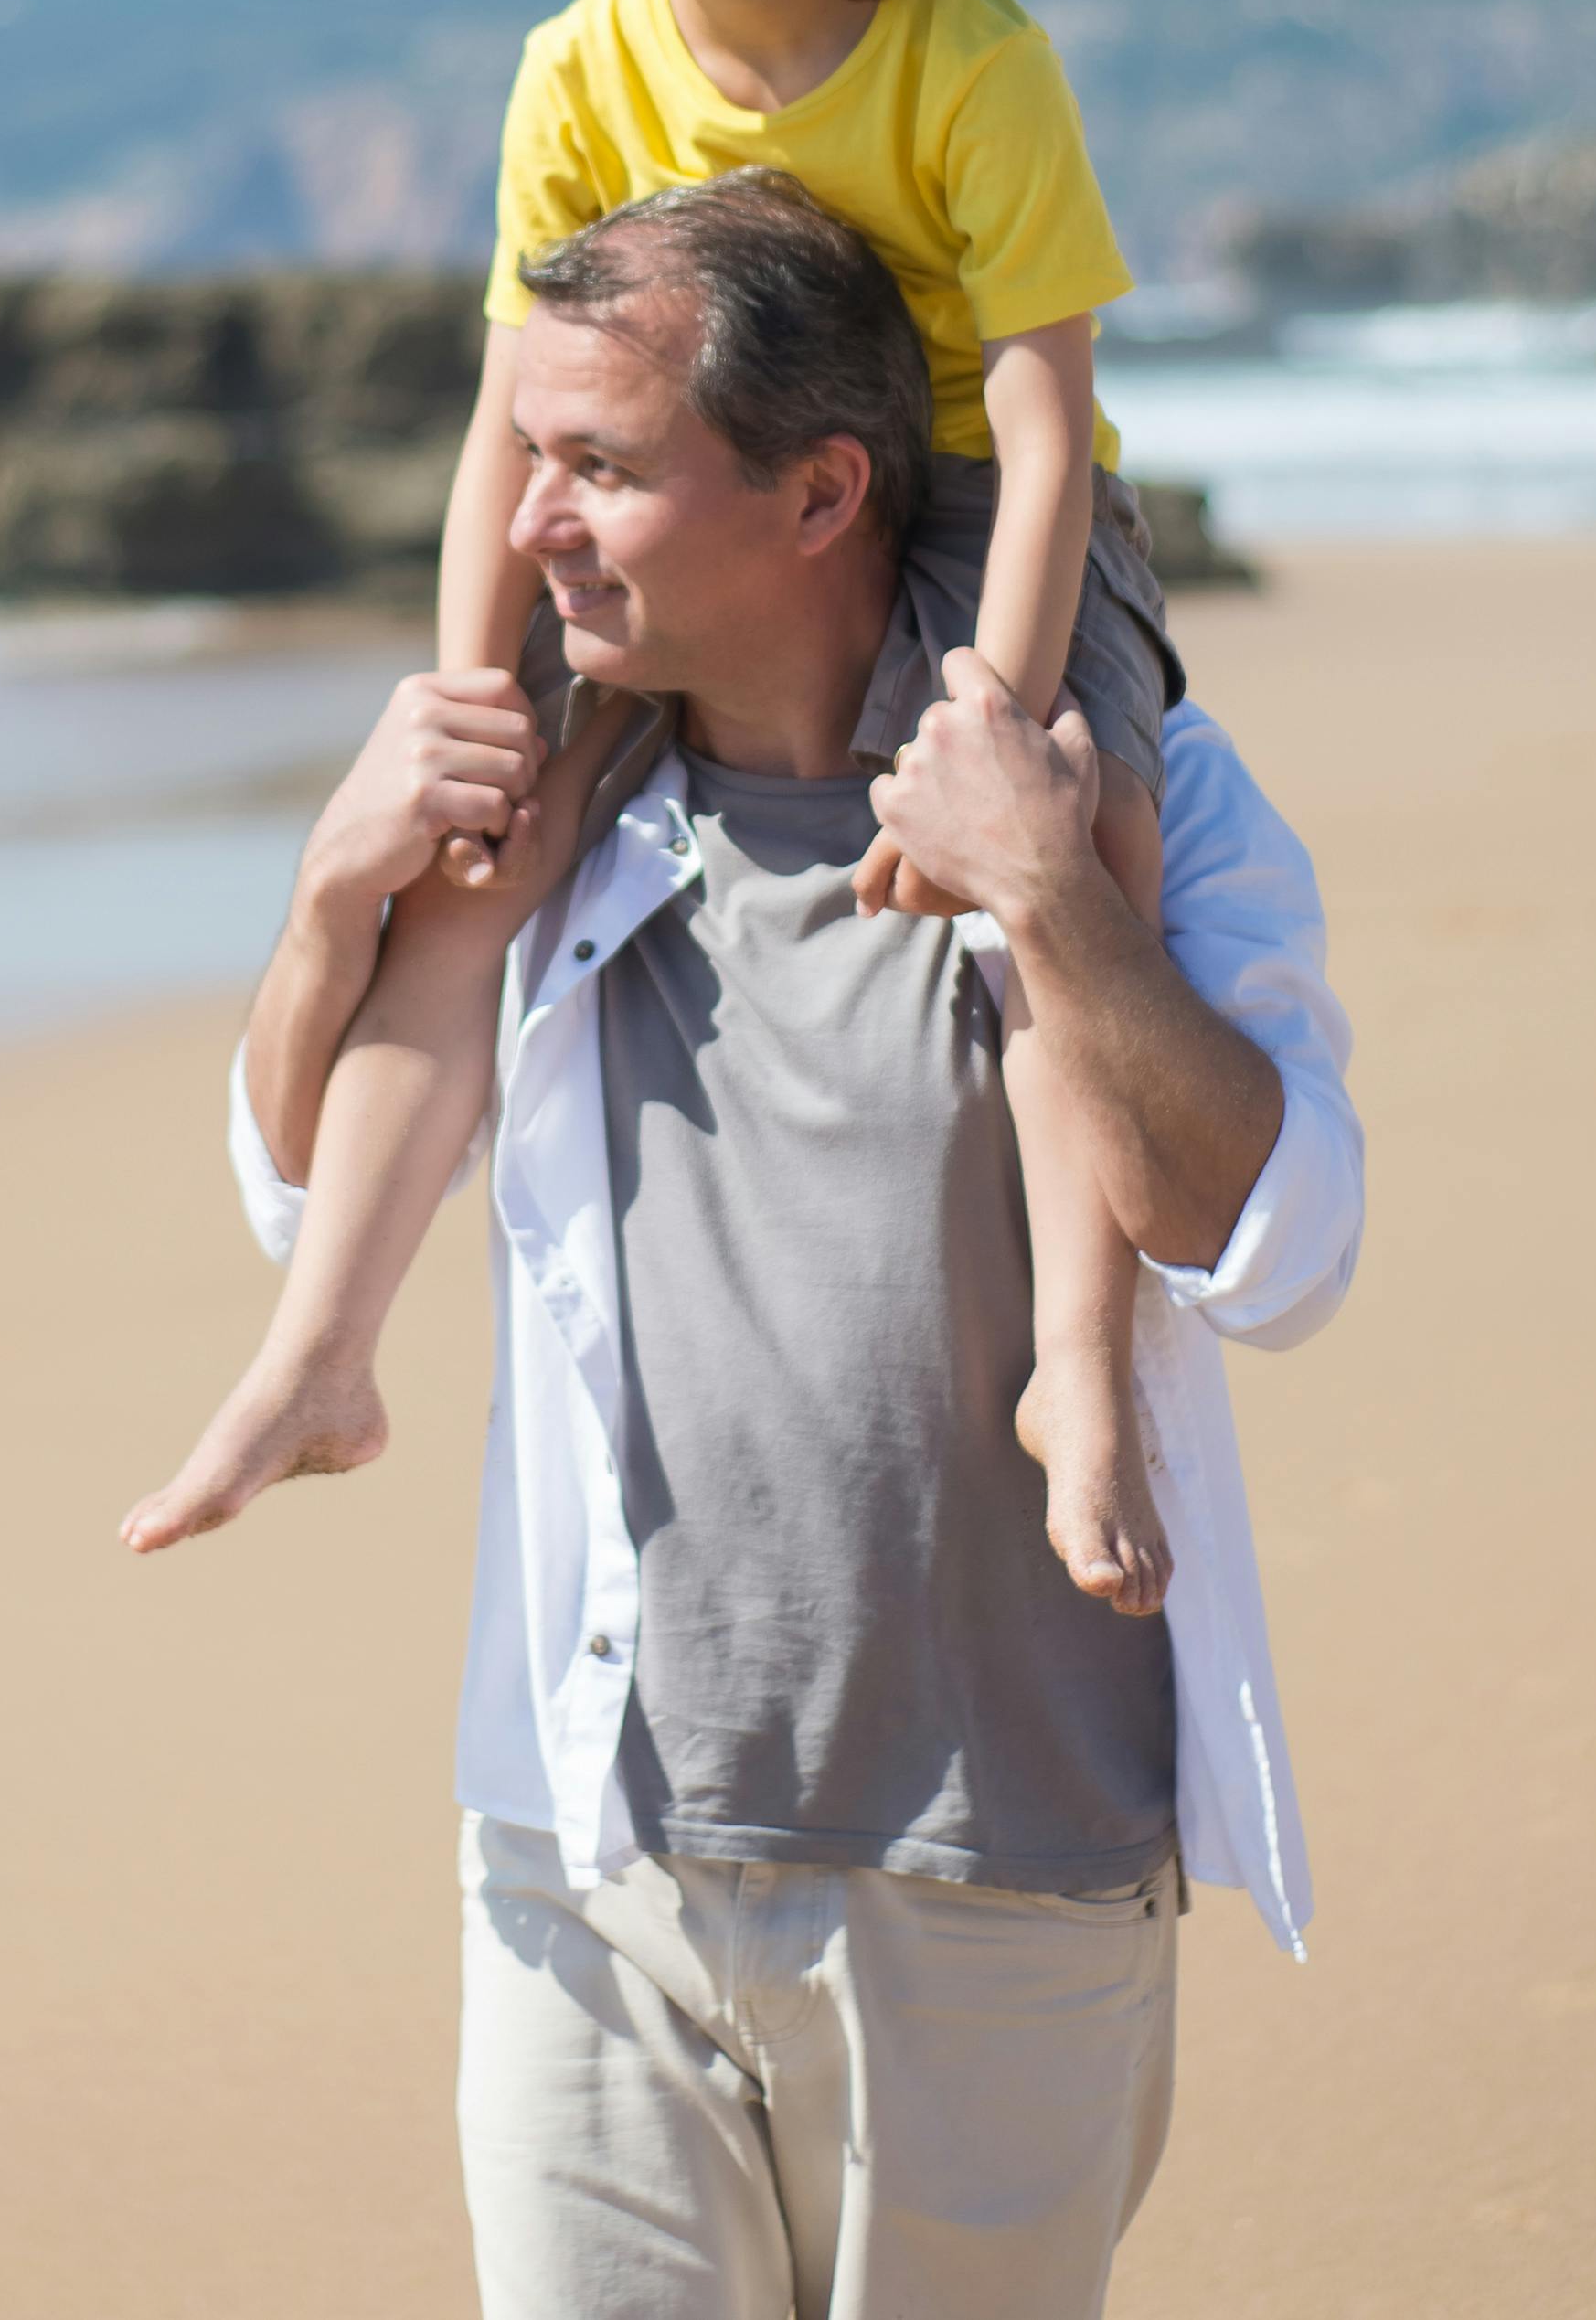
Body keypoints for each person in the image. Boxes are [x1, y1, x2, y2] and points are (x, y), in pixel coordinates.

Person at [130, 170, 1365, 2315]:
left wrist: (1048, 896)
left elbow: (1276, 1245)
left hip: (1001, 1882)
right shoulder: (544, 814)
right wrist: (335, 896)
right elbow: (299, 1193)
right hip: (583, 1868)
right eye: (532, 456)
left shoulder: (1132, 789)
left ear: (819, 493)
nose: (530, 526)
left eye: (599, 467)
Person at [132, 0, 1206, 1610]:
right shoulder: (576, 64)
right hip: (688, 482)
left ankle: (1077, 1361)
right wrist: (472, 703)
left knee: (1080, 845)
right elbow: (500, 425)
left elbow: (1053, 423)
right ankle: (320, 1353)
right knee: (473, 869)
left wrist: (996, 706)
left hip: (973, 488)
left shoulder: (967, 60)